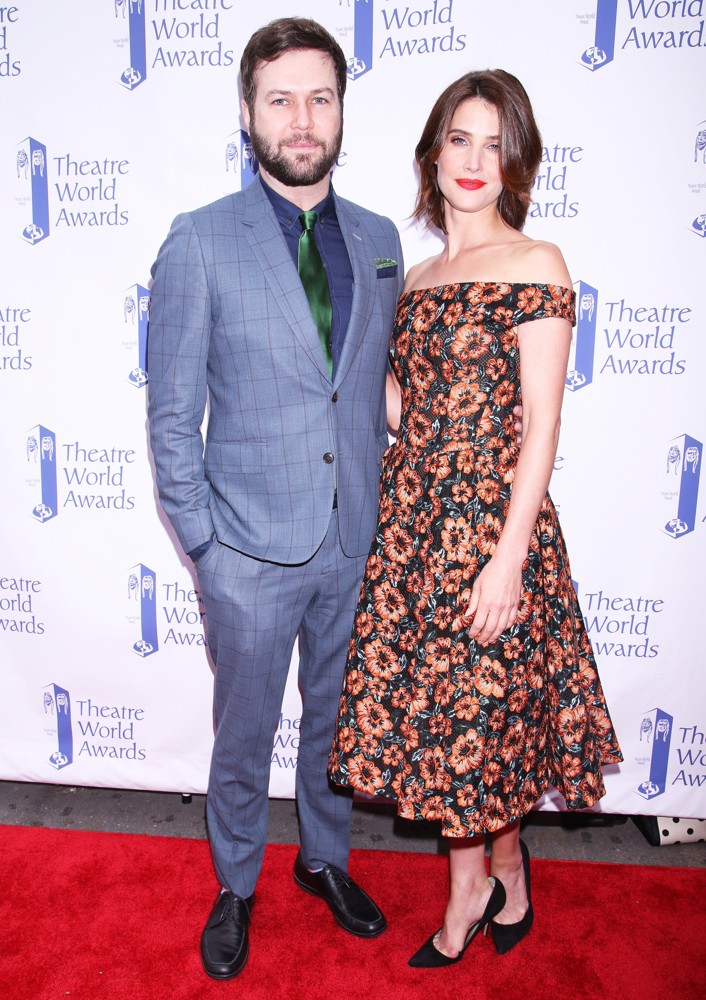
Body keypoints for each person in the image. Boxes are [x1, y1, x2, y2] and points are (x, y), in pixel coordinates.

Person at [328, 69, 623, 968]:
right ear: (432, 150)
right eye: (460, 138)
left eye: (495, 144)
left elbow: (542, 426)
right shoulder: (418, 276)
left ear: (516, 162)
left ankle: (466, 896)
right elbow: (409, 411)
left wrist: (507, 558)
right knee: (467, 726)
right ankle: (510, 868)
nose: (474, 160)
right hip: (418, 530)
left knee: (476, 725)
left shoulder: (538, 265)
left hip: (496, 533)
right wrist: (332, 352)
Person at [147, 18, 404, 980]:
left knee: (337, 719)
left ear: (342, 109)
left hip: (353, 541)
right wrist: (209, 550)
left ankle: (326, 860)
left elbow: (368, 384)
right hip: (246, 554)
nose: (303, 119)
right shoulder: (200, 242)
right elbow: (172, 416)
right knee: (244, 730)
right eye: (282, 99)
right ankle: (237, 882)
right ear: (248, 112)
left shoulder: (379, 241)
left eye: (321, 97)